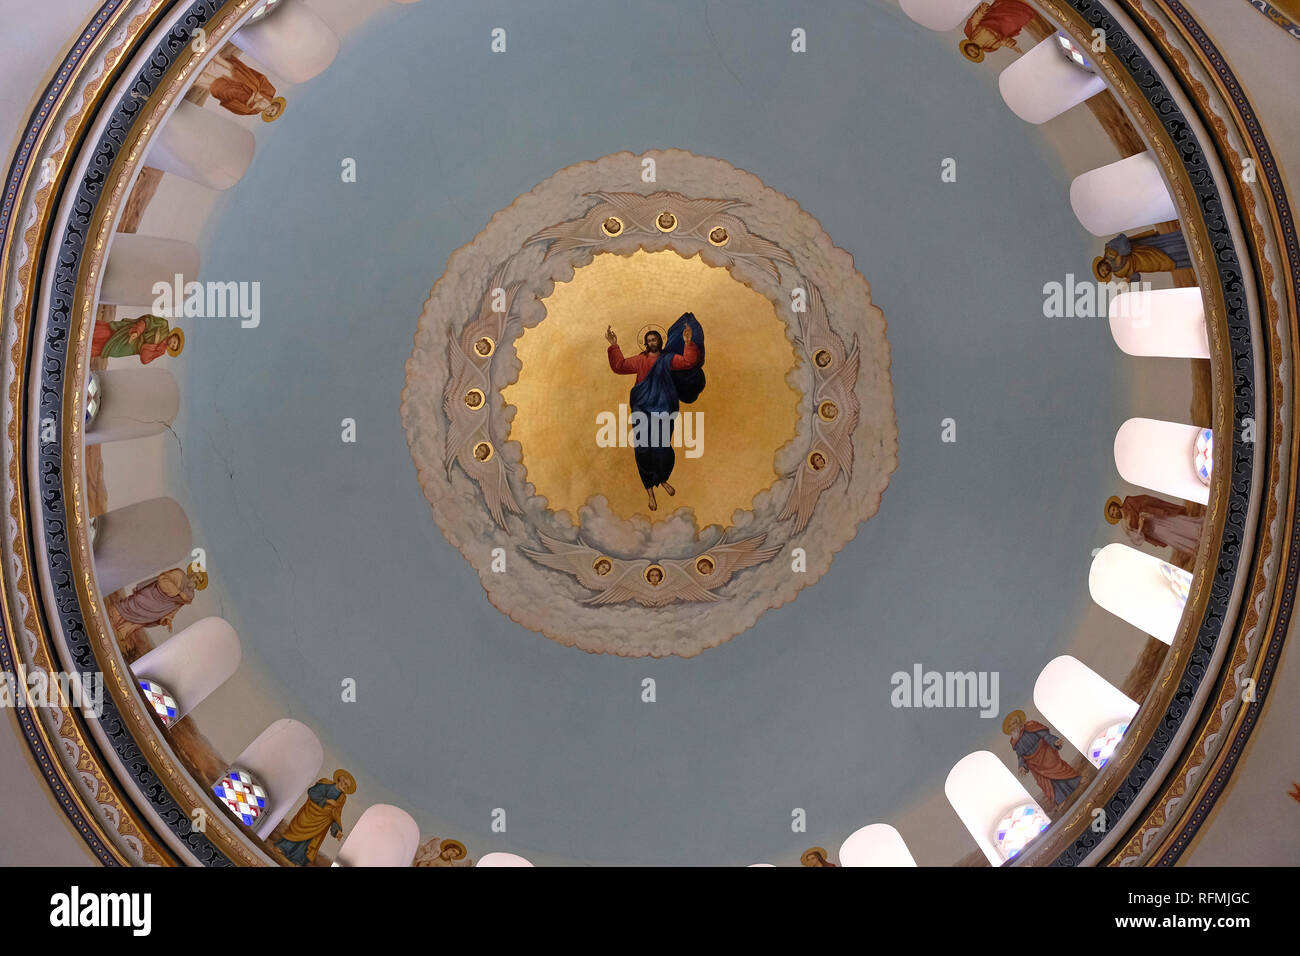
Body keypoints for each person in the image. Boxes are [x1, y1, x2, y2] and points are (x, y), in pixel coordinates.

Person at [606, 313, 705, 511]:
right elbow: (619, 366)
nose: (652, 342)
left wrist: (687, 342)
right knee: (643, 447)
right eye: (649, 340)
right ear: (645, 343)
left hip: (664, 408)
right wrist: (614, 345)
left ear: (660, 341)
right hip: (642, 407)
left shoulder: (668, 359)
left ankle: (662, 479)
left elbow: (688, 362)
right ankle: (649, 489)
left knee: (662, 447)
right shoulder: (640, 361)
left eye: (655, 339)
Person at [273, 769, 356, 866]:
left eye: (347, 786)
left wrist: (337, 830)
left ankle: (297, 861)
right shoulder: (326, 784)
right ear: (340, 779)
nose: (345, 786)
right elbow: (312, 792)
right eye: (344, 783)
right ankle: (282, 848)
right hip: (310, 814)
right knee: (298, 832)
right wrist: (327, 801)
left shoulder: (342, 799)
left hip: (322, 824)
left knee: (308, 842)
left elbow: (336, 814)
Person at [1003, 711, 1082, 813]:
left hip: (1045, 753)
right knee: (1045, 783)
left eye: (1014, 723)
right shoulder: (1014, 741)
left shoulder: (1031, 726)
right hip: (1033, 764)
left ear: (1019, 722)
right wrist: (1021, 766)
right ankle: (1060, 800)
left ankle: (1077, 781)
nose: (1013, 727)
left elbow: (1045, 736)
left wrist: (1054, 741)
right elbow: (1020, 756)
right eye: (1010, 726)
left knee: (1058, 769)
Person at [108, 565, 207, 645]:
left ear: (198, 584)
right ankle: (115, 614)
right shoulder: (179, 574)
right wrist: (177, 592)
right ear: (192, 572)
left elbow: (177, 606)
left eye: (198, 580)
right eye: (195, 575)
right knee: (133, 604)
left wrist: (169, 618)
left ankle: (123, 631)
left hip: (160, 609)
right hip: (152, 594)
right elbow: (163, 578)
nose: (195, 579)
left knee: (142, 620)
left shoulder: (189, 596)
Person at [1105, 494, 1202, 554]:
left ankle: (1198, 531)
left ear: (1116, 506)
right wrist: (1139, 527)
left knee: (1175, 524)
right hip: (1153, 531)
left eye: (1113, 509)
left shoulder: (1129, 502)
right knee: (1171, 536)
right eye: (1112, 514)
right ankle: (1194, 545)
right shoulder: (1124, 525)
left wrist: (1144, 513)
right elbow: (1137, 539)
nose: (1114, 513)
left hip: (1155, 519)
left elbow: (1144, 501)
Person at [1093, 230, 1192, 282]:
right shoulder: (1118, 274)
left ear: (1101, 263)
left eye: (1102, 270)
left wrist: (1122, 253)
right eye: (1105, 274)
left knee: (1170, 248)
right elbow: (1136, 275)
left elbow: (1122, 238)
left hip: (1145, 248)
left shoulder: (1109, 248)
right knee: (1171, 261)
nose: (1105, 271)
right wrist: (1129, 280)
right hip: (1148, 265)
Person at [961, 0, 1036, 61]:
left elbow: (975, 20)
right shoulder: (989, 47)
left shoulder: (970, 32)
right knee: (1015, 19)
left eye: (971, 50)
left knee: (1006, 7)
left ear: (967, 46)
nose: (974, 50)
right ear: (978, 53)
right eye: (975, 52)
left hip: (994, 18)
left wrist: (982, 11)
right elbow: (1001, 42)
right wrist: (1011, 45)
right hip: (1004, 28)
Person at [92, 314, 182, 364]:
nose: (172, 344)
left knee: (105, 349)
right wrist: (137, 331)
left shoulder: (161, 351)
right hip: (132, 331)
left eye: (173, 346)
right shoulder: (163, 325)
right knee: (103, 333)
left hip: (130, 348)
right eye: (174, 341)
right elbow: (147, 320)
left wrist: (154, 346)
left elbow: (145, 359)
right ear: (174, 335)